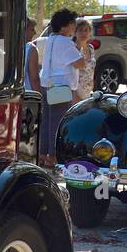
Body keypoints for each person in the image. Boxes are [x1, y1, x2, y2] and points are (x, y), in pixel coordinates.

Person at [36, 8, 87, 166]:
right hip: (61, 87)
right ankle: (53, 156)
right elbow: (80, 63)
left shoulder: (51, 38)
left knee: (46, 121)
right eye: (72, 24)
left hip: (46, 83)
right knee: (58, 123)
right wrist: (80, 49)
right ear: (65, 26)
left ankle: (42, 154)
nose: (74, 28)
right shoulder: (65, 42)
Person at [73, 18, 96, 96]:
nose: (83, 33)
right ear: (74, 32)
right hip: (75, 92)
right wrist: (74, 94)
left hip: (88, 91)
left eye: (86, 30)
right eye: (80, 30)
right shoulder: (72, 48)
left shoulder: (91, 48)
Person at [23, 18, 40, 94]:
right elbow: (34, 79)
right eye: (32, 29)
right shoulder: (31, 48)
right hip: (28, 95)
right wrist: (39, 98)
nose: (35, 33)